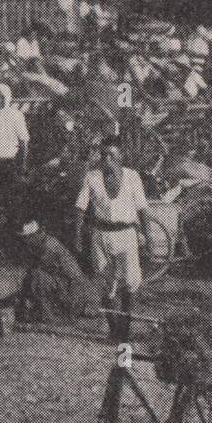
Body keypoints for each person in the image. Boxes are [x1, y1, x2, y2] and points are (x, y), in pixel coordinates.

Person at [72, 136, 154, 336]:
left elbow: (143, 209)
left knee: (130, 282)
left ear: (120, 156)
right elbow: (80, 208)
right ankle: (113, 327)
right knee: (105, 283)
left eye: (111, 154)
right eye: (103, 154)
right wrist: (77, 236)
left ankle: (124, 329)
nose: (107, 159)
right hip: (101, 235)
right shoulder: (92, 177)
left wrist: (149, 237)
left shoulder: (132, 177)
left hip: (126, 235)